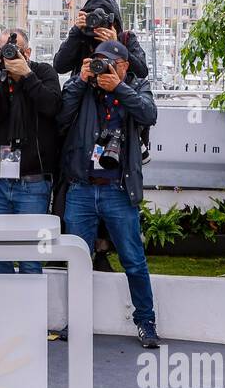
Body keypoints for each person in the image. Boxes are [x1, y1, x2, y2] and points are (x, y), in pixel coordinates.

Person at [57, 39, 161, 348]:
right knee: (77, 260)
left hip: (118, 189)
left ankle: (146, 322)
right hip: (82, 188)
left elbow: (148, 114)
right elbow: (61, 117)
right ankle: (75, 322)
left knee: (133, 259)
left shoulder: (137, 85)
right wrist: (80, 80)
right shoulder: (83, 87)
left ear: (125, 66)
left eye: (110, 63)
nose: (103, 68)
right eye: (98, 61)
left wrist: (118, 87)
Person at [0, 28, 62, 274]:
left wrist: (26, 75)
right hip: (1, 181)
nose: (8, 55)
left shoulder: (43, 72)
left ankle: (30, 313)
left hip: (33, 182)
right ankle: (5, 310)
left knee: (30, 258)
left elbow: (52, 106)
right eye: (3, 50)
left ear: (27, 52)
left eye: (13, 50)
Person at [53, 0, 148, 78]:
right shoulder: (81, 39)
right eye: (93, 18)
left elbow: (142, 72)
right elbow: (59, 67)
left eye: (103, 20)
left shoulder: (126, 38)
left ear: (113, 22)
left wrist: (117, 45)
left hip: (117, 94)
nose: (97, 24)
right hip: (84, 93)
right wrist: (75, 32)